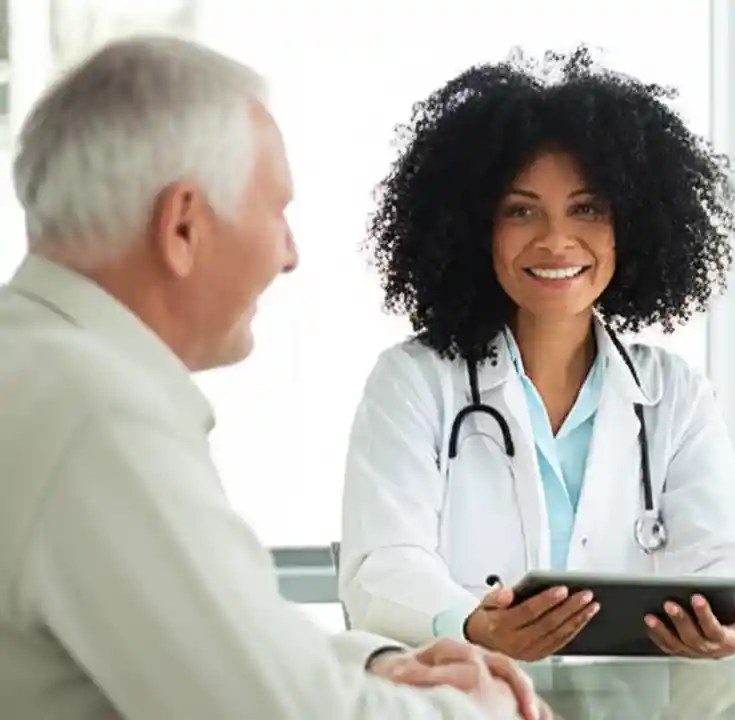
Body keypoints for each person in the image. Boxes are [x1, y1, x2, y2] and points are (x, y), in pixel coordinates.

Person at [0, 36, 549, 720]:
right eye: (276, 210)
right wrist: (491, 709)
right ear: (182, 227)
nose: (289, 254)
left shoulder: (33, 368)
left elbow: (212, 648)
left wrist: (381, 665)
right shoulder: (95, 416)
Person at [339, 48, 735, 662]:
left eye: (587, 209)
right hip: (467, 702)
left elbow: (731, 567)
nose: (555, 240)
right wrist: (471, 624)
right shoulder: (413, 382)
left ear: (631, 224)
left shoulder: (672, 392)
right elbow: (380, 569)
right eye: (521, 211)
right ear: (475, 227)